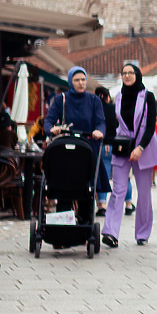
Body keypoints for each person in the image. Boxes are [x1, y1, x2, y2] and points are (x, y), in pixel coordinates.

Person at [103, 63, 157, 247]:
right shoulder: (119, 97)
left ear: (137, 75)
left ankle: (142, 233)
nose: (127, 76)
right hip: (123, 147)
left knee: (144, 193)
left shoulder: (148, 97)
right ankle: (110, 232)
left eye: (131, 72)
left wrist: (140, 148)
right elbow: (115, 123)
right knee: (118, 190)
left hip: (142, 147)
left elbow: (151, 125)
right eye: (124, 73)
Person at [43, 67, 105, 224]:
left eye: (83, 79)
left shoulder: (94, 100)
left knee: (86, 189)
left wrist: (99, 131)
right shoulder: (60, 99)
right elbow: (48, 120)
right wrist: (52, 129)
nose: (81, 83)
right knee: (64, 187)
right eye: (77, 80)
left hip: (87, 148)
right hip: (66, 149)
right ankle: (62, 229)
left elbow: (101, 122)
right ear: (70, 81)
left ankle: (85, 227)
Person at [94, 86, 118, 216]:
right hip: (112, 144)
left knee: (102, 174)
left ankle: (102, 204)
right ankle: (128, 203)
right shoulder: (113, 109)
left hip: (99, 145)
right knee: (120, 177)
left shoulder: (94, 109)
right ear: (108, 97)